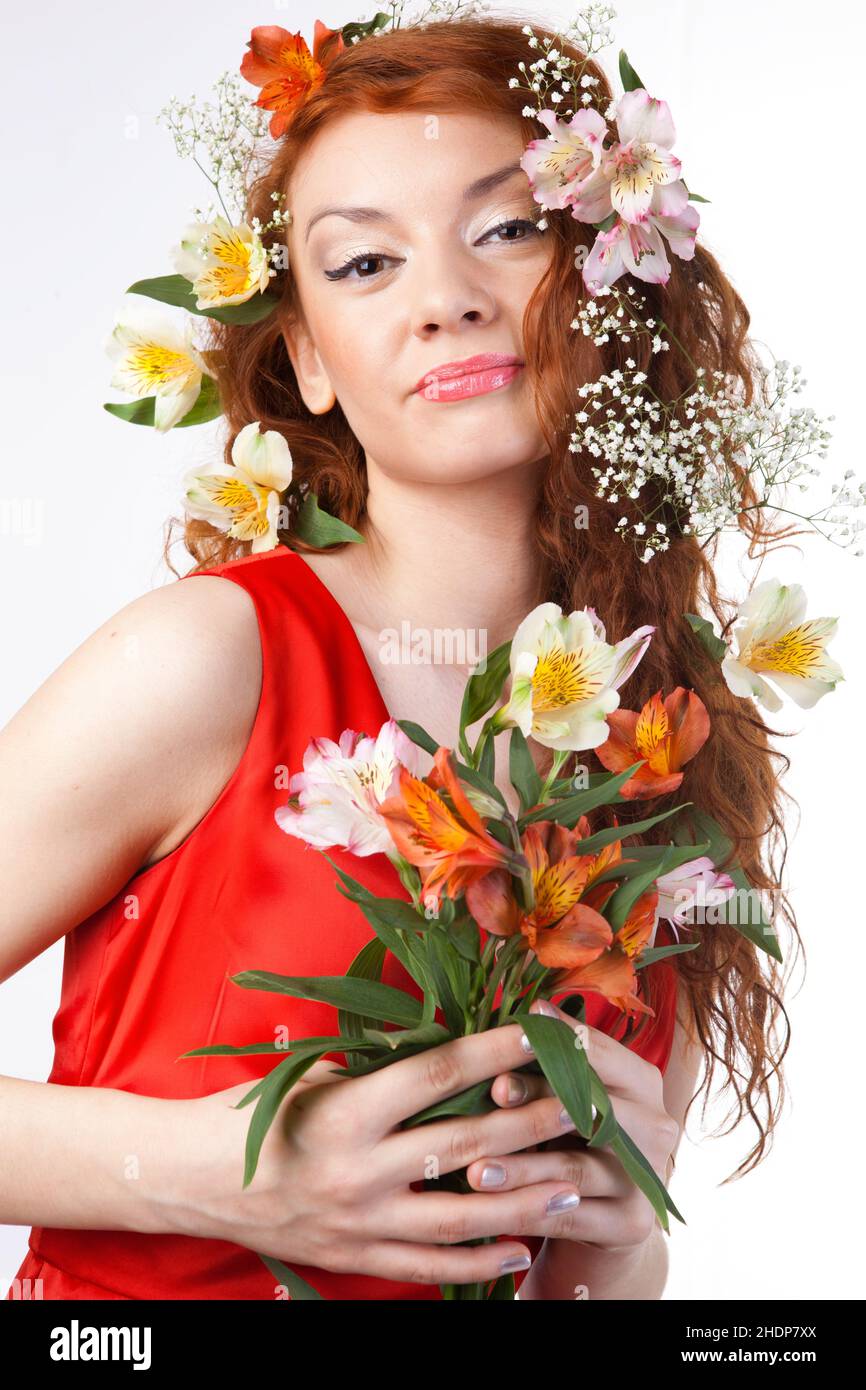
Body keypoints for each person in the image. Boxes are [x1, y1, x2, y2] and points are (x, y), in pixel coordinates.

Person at [1, 14, 790, 1300]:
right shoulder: (209, 660)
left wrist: (618, 1236)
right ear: (307, 357)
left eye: (505, 228)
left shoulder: (665, 744)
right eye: (364, 263)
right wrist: (218, 1168)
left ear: (605, 271)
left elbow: (567, 1283)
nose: (446, 300)